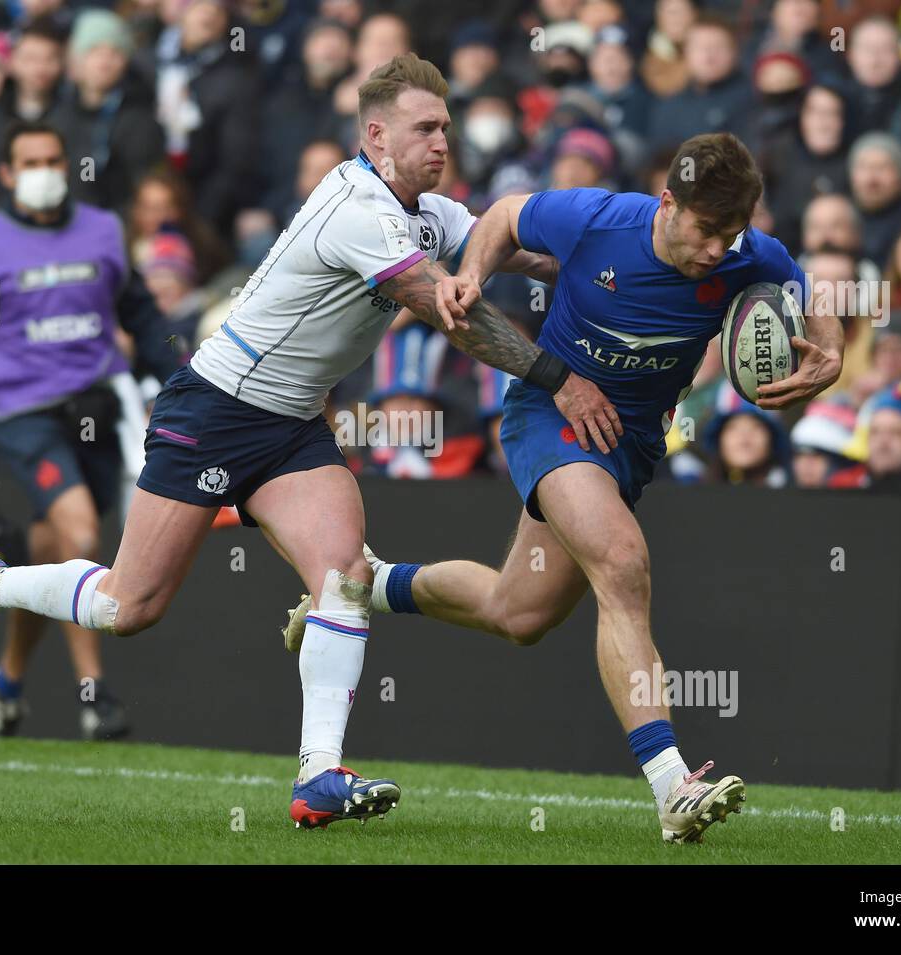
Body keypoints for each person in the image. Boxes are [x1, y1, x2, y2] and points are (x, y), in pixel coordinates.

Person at [0, 55, 569, 829]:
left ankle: (319, 774)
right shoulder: (357, 206)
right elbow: (450, 313)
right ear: (377, 136)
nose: (442, 141)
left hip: (290, 424)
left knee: (344, 575)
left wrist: (631, 251)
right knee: (129, 605)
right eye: (426, 128)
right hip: (216, 406)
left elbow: (515, 242)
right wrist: (559, 376)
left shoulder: (428, 212)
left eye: (446, 127)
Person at [302, 131, 844, 844]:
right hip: (550, 415)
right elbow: (501, 217)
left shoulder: (748, 256)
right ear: (667, 204)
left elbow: (813, 293)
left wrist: (829, 354)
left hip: (633, 442)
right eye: (707, 230)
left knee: (516, 610)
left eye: (732, 233)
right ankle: (674, 785)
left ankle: (369, 584)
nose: (718, 249)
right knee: (622, 562)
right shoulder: (598, 219)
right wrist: (468, 276)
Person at [0, 120, 181, 742]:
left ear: (67, 165)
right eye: (28, 160)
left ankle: (5, 682)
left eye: (52, 158)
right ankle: (94, 696)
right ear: (8, 175)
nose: (42, 170)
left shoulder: (104, 230)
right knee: (82, 530)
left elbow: (140, 316)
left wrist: (181, 379)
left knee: (52, 551)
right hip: (24, 413)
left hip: (98, 404)